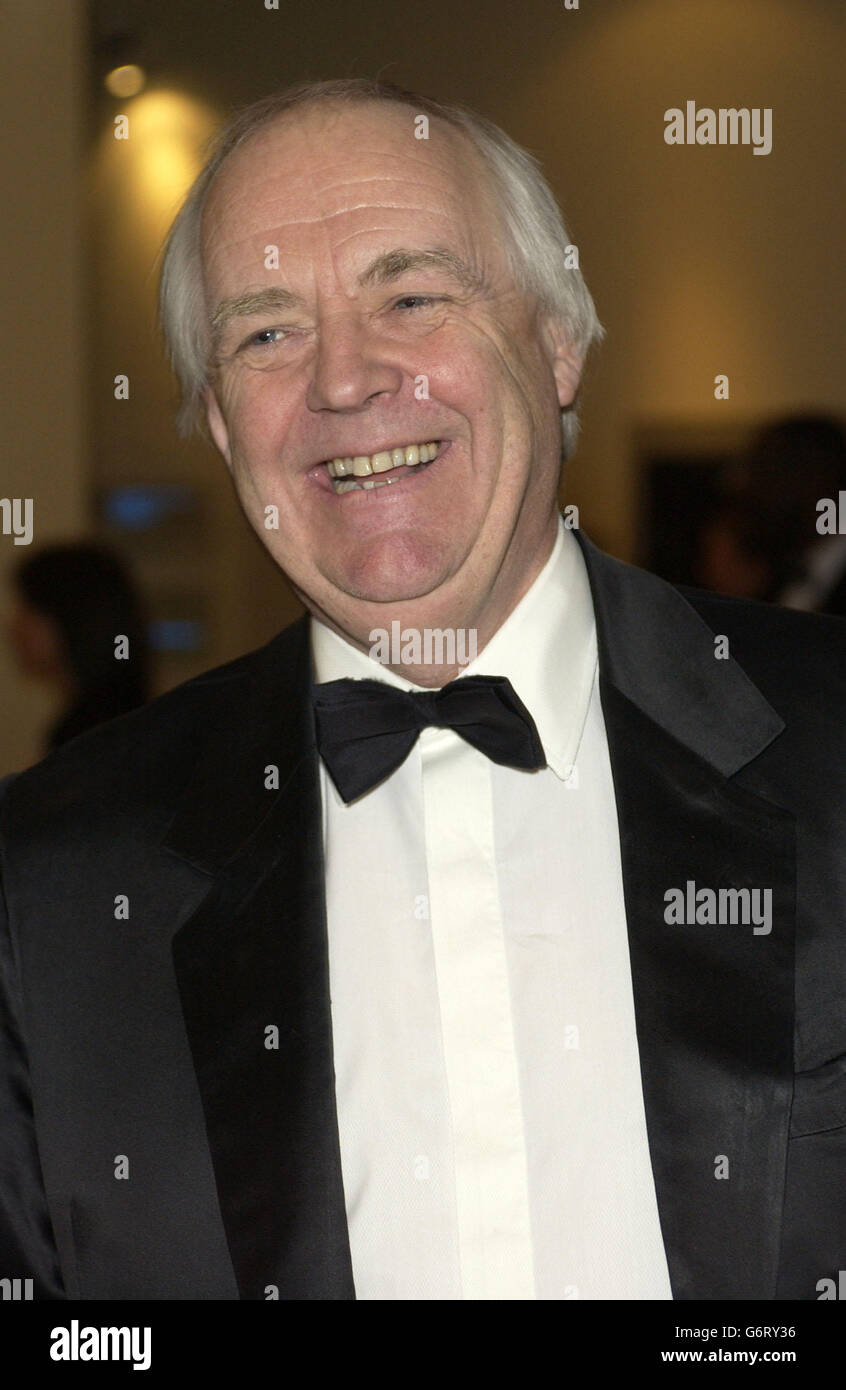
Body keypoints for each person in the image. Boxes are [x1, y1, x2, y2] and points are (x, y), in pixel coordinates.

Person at [0, 78, 844, 1302]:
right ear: (227, 430)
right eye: (267, 332)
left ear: (559, 341)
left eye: (411, 295)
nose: (346, 380)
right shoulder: (52, 894)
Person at [5, 543, 150, 757]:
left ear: (74, 618)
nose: (14, 625)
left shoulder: (95, 737)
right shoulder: (123, 721)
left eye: (31, 608)